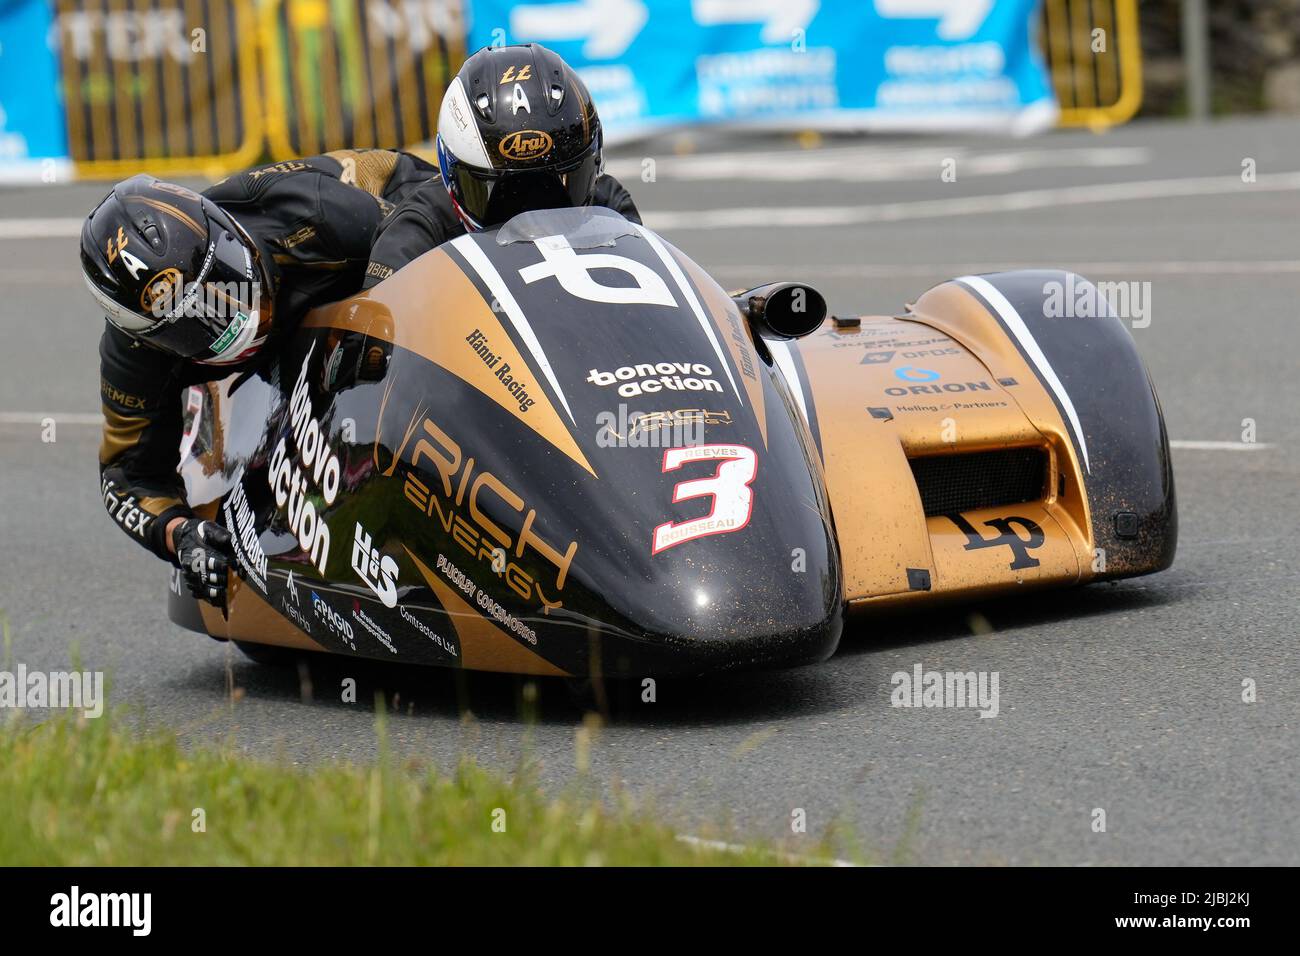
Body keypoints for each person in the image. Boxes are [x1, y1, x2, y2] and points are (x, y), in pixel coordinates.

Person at [80, 149, 435, 607]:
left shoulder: (313, 213)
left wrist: (375, 313)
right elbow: (125, 474)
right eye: (191, 322)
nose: (230, 316)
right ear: (149, 336)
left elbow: (430, 219)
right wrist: (179, 534)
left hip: (403, 201)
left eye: (225, 278)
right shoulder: (133, 355)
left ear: (222, 227)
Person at [363, 43, 640, 288]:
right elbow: (376, 337)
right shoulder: (418, 231)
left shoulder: (609, 208)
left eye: (556, 185)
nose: (532, 219)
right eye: (506, 194)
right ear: (452, 174)